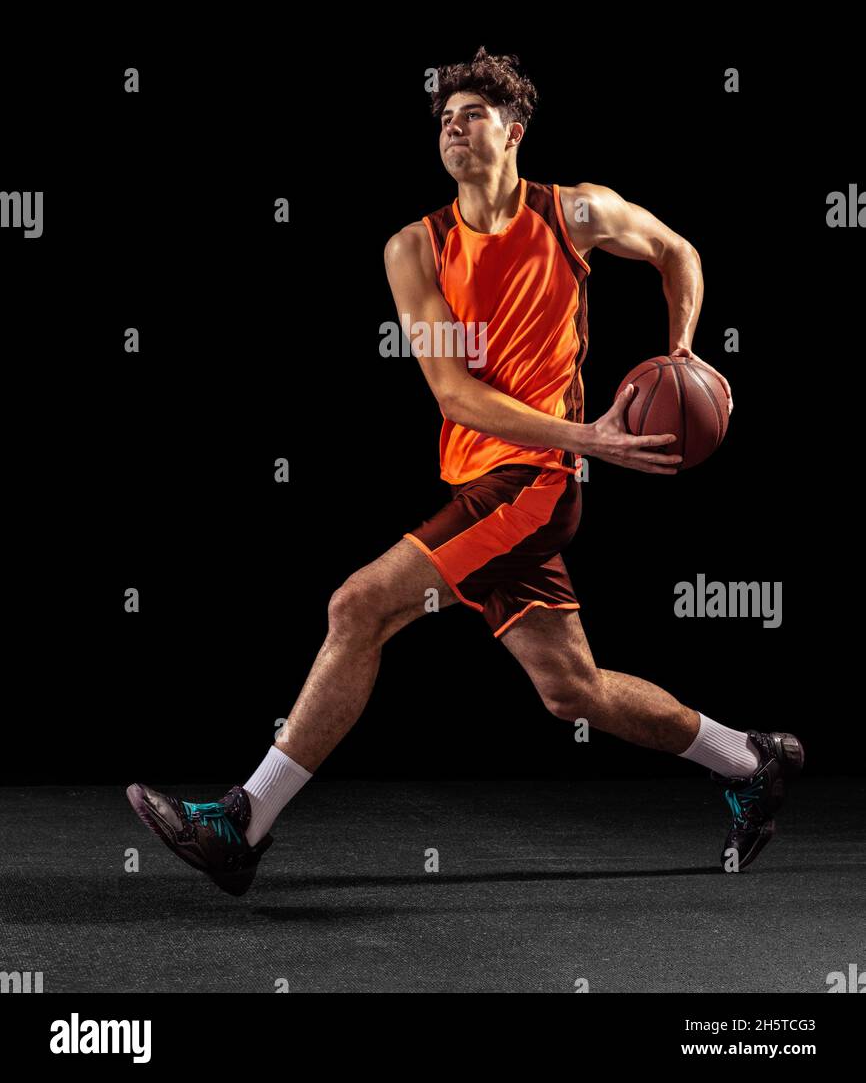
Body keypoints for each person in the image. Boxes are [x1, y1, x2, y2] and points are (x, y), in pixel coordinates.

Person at [127, 47, 803, 896]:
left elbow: (679, 253)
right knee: (574, 691)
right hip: (490, 479)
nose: (453, 127)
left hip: (535, 483)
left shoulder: (575, 214)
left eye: (472, 115)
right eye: (444, 119)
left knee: (357, 605)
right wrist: (590, 435)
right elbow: (455, 393)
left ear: (514, 131)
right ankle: (749, 759)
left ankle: (243, 823)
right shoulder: (414, 249)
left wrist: (683, 350)